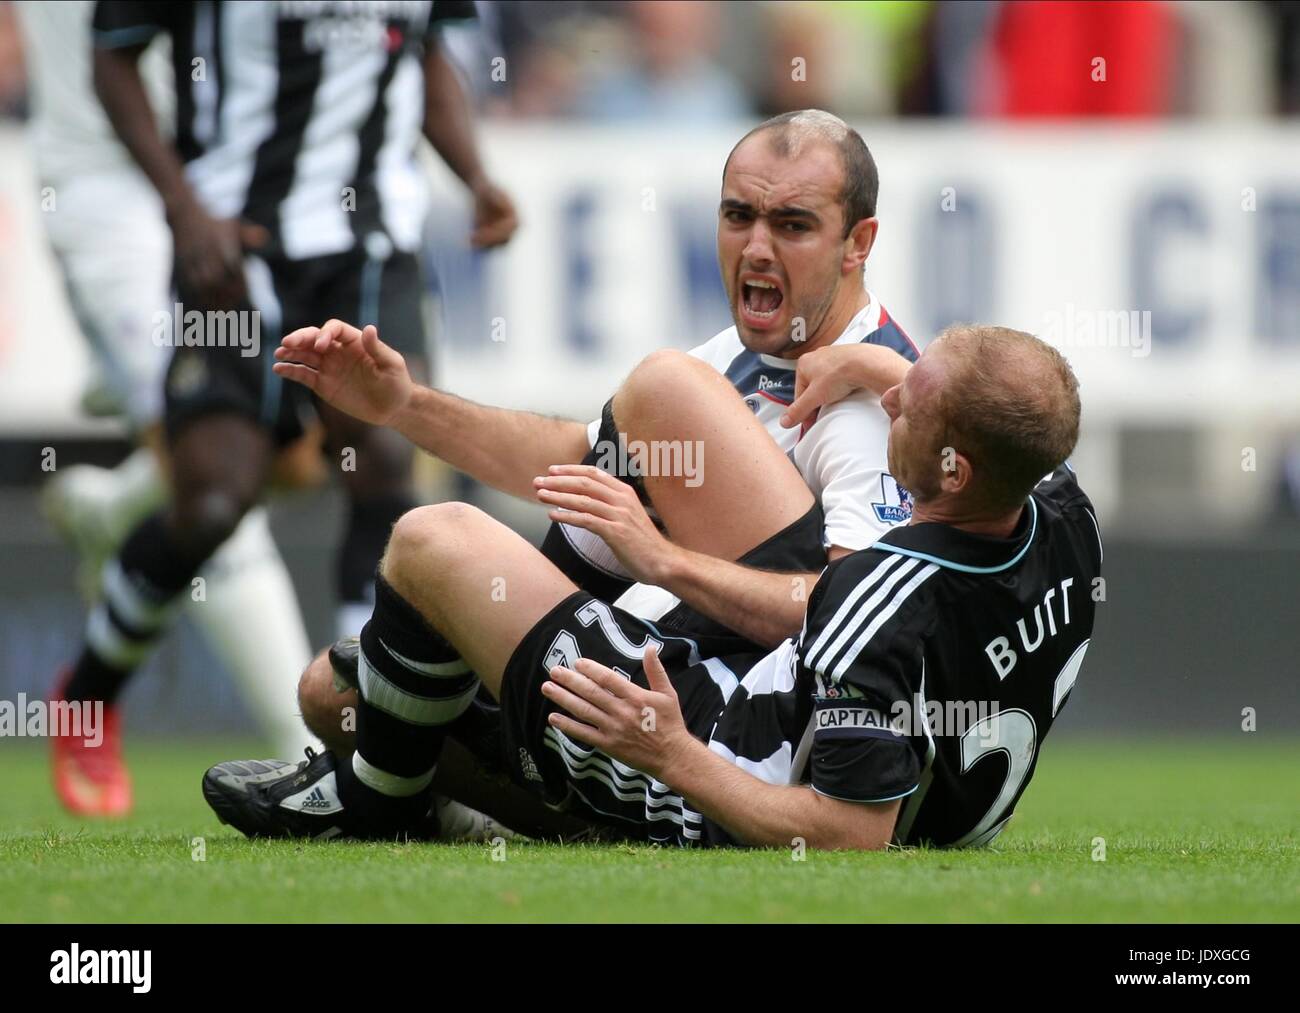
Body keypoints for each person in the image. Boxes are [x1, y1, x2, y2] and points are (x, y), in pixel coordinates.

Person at [205, 325, 1101, 848]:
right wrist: (882, 368)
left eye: (913, 403)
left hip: (704, 754)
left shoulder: (875, 601)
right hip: (786, 699)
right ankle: (429, 771)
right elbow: (994, 432)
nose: (893, 401)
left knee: (427, 547)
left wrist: (669, 751)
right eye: (738, 210)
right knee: (361, 690)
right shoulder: (1062, 513)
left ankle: (374, 803)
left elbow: (850, 834)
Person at [51, 0, 518, 817]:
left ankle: (366, 746)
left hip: (373, 249)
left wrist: (475, 174)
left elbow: (429, 52)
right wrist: (181, 205)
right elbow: (112, 52)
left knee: (382, 472)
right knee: (214, 499)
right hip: (232, 247)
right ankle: (87, 692)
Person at [15, 0, 315, 814]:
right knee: (215, 472)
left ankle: (107, 511)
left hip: (230, 177)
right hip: (108, 196)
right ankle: (308, 750)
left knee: (295, 455)